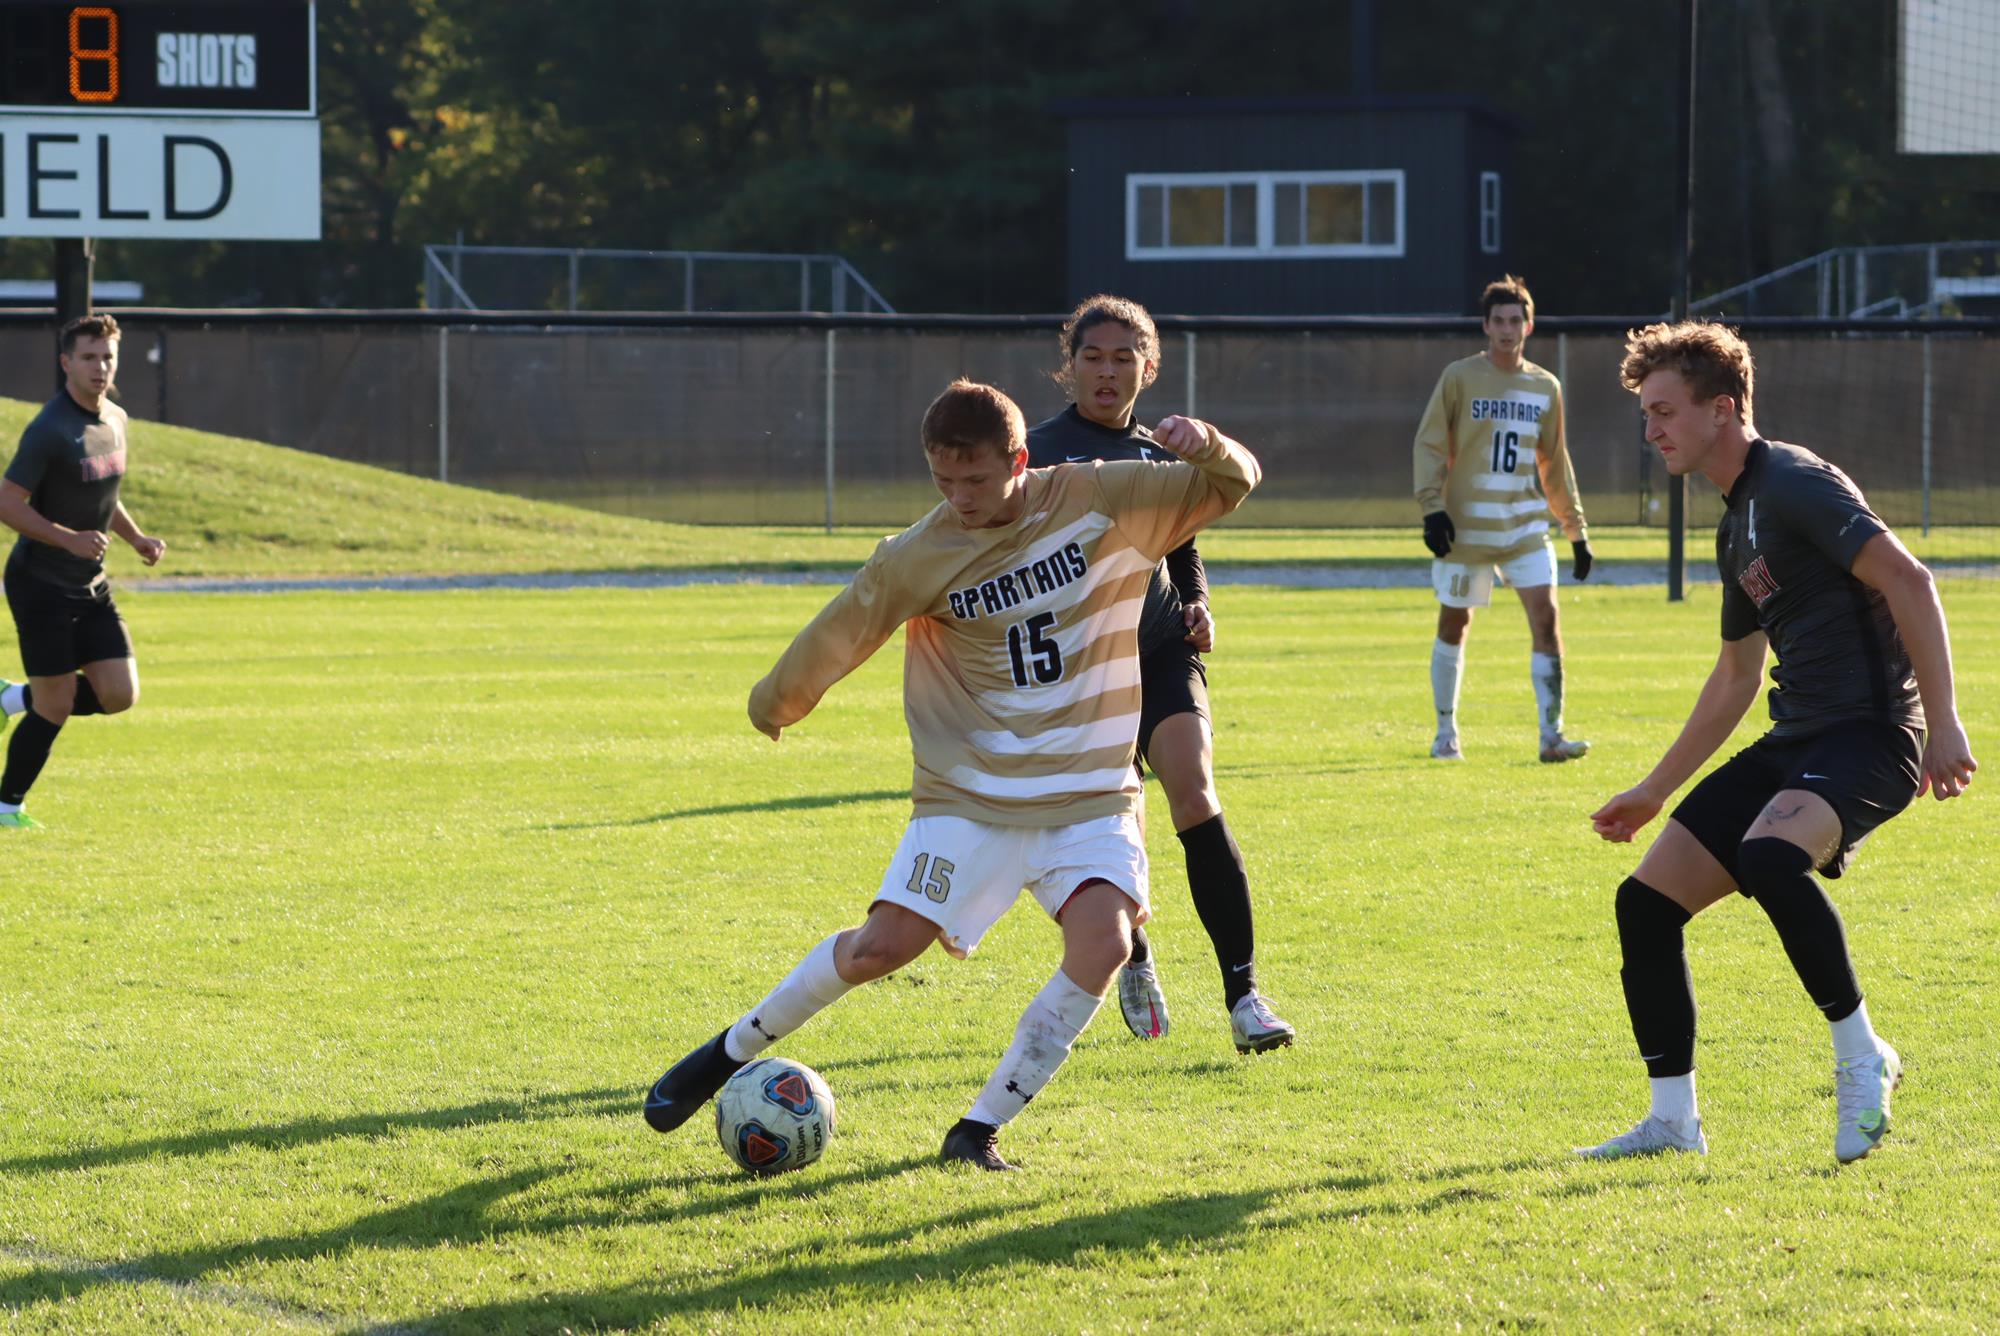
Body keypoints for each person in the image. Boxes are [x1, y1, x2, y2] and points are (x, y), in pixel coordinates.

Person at [644, 378, 1261, 1170]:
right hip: (973, 796)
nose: (960, 498)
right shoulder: (922, 552)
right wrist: (776, 702)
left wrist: (1205, 442)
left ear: (1020, 459)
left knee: (1104, 944)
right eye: (943, 480)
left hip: (1090, 794)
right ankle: (724, 1055)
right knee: (880, 949)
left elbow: (1233, 482)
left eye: (976, 479)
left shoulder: (1101, 495)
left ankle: (976, 1131)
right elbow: (844, 626)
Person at [1580, 321, 1977, 1163]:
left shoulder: (1793, 482)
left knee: (1769, 857)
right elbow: (1734, 676)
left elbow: (1910, 579)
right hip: (1795, 738)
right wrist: (1654, 790)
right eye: (1645, 414)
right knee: (1644, 904)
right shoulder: (1734, 525)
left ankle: (1862, 1056)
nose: (1651, 431)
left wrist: (1944, 724)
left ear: (1721, 410)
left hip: (1873, 735)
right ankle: (1673, 1122)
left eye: (1664, 412)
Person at [1024, 294, 1293, 1055]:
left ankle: (1246, 997)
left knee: (1196, 791)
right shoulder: (1036, 453)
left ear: (1150, 366)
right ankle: (1135, 951)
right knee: (1120, 822)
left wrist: (1199, 602)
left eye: (1123, 358)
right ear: (1068, 364)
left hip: (1160, 646)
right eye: (1092, 357)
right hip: (1080, 666)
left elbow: (1182, 546)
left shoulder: (1162, 451)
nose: (1107, 373)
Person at [1413, 275, 1593, 762]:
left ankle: (1551, 735)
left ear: (1528, 325)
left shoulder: (1545, 386)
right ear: (1486, 326)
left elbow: (1554, 462)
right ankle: (1446, 732)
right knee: (1455, 624)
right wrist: (1432, 508)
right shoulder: (1459, 377)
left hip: (1524, 530)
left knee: (1547, 618)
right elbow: (1429, 443)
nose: (1507, 329)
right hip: (1466, 531)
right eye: (1499, 321)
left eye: (1516, 320)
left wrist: (1574, 530)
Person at [0, 314, 166, 829]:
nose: (100, 367)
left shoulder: (115, 419)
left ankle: (11, 697)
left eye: (108, 356)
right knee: (56, 705)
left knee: (119, 694)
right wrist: (67, 538)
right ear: (66, 363)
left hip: (90, 582)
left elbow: (102, 495)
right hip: (40, 583)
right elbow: (7, 502)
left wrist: (134, 537)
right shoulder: (51, 429)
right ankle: (6, 806)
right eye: (89, 357)